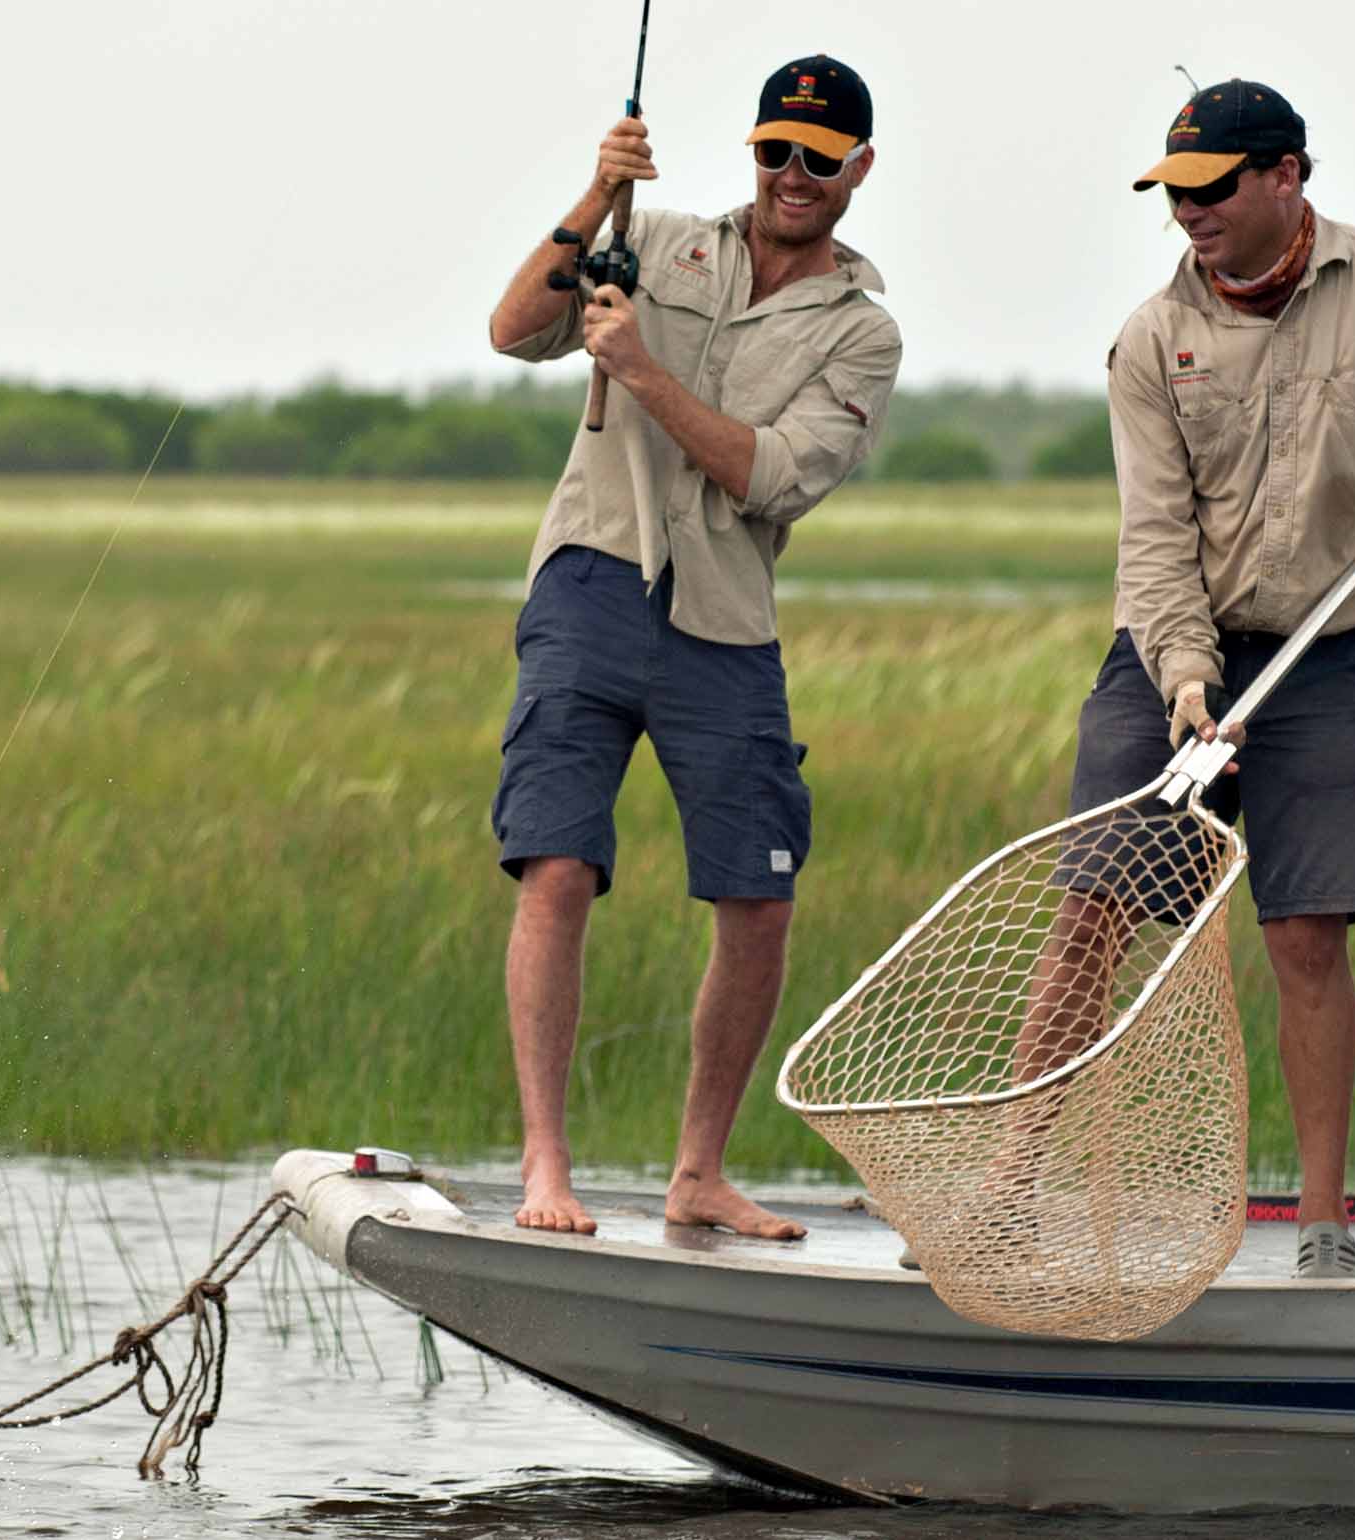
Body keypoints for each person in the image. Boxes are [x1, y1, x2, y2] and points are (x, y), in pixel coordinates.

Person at [485, 56, 900, 1237]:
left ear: (859, 169)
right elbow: (516, 331)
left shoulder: (864, 335)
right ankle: (544, 1168)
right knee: (557, 863)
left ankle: (698, 1173)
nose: (792, 175)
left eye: (819, 158)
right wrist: (590, 194)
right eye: (776, 149)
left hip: (724, 619)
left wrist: (642, 372)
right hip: (590, 575)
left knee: (757, 897)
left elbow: (770, 473)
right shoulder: (651, 235)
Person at [1081, 79, 1355, 1277]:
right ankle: (1006, 1180)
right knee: (1090, 916)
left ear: (1286, 177)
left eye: (1210, 189)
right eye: (1173, 193)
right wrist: (1187, 678)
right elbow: (1153, 537)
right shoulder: (1153, 337)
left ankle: (1322, 1227)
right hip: (1173, 650)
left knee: (1308, 936)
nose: (1187, 213)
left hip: (1327, 648)